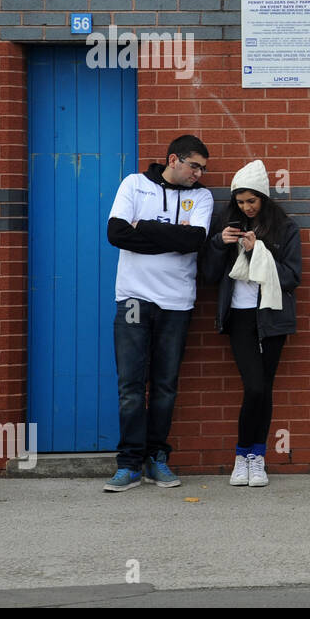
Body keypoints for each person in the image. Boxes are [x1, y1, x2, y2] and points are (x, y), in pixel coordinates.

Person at [104, 135, 214, 492]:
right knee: (131, 386)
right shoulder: (134, 185)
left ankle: (157, 459)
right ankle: (129, 463)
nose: (199, 173)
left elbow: (194, 241)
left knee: (165, 387)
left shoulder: (202, 197)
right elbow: (117, 234)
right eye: (194, 165)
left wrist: (147, 228)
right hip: (134, 298)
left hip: (177, 302)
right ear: (173, 159)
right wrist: (172, 237)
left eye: (203, 168)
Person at [200, 160, 302, 489]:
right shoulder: (227, 225)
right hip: (240, 315)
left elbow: (292, 276)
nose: (246, 207)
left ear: (264, 198)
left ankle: (257, 458)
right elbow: (209, 275)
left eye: (252, 201)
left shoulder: (284, 229)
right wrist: (218, 243)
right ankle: (241, 455)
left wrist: (260, 252)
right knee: (254, 387)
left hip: (272, 313)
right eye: (240, 201)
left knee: (265, 389)